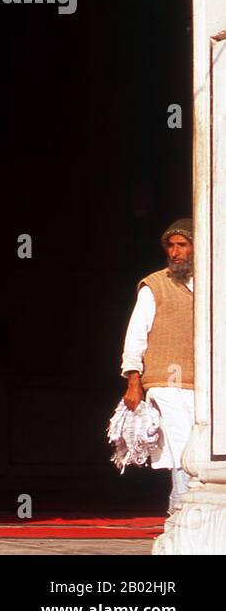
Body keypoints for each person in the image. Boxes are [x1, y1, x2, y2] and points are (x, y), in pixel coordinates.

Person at [120, 218, 195, 513]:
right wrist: (133, 381)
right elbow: (136, 334)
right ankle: (182, 509)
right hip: (166, 382)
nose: (175, 252)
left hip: (204, 384)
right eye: (171, 245)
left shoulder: (213, 284)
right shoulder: (155, 286)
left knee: (200, 447)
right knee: (181, 443)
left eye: (182, 245)